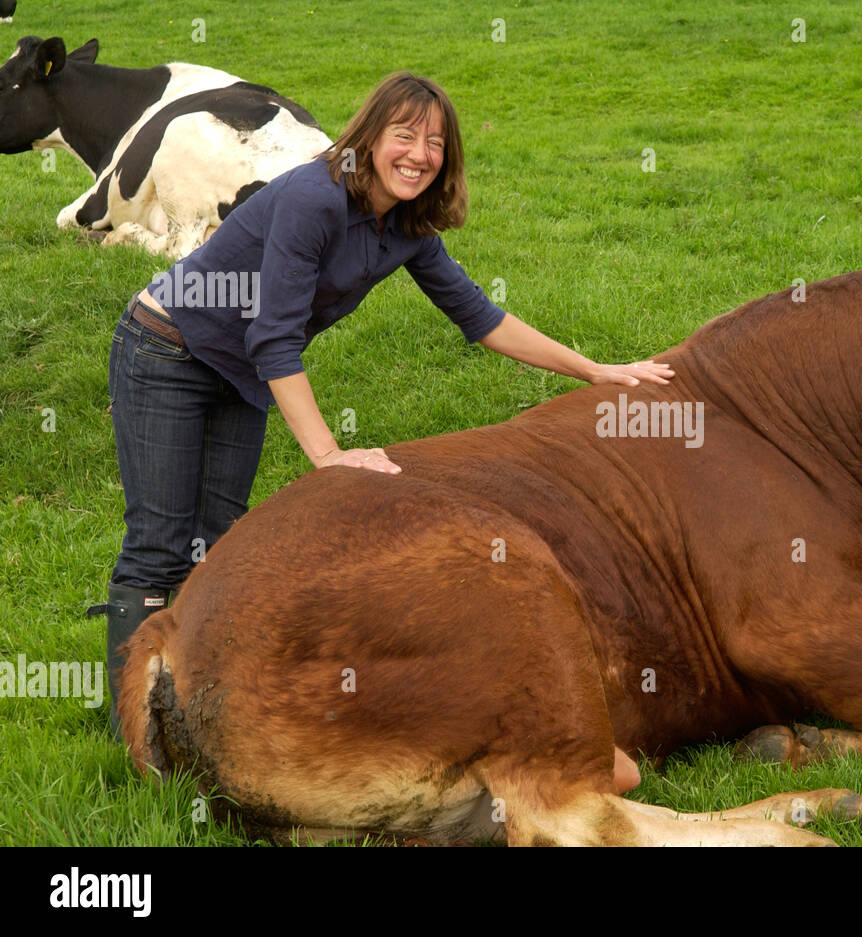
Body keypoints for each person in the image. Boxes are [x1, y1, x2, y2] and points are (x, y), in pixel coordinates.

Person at [88, 72, 666, 792]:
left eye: (435, 142)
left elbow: (480, 317)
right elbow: (274, 338)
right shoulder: (312, 198)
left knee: (217, 535)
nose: (420, 153)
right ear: (369, 137)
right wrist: (329, 456)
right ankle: (131, 742)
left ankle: (187, 706)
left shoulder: (408, 226)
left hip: (238, 373)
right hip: (166, 348)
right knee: (159, 540)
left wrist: (594, 370)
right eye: (405, 135)